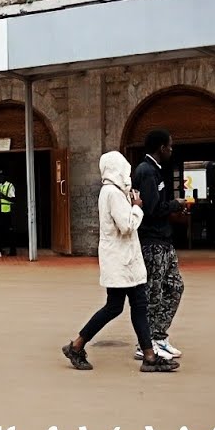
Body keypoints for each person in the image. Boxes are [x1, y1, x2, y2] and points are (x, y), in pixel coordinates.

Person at [62, 152, 179, 373]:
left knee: (138, 306)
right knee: (114, 307)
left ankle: (149, 356)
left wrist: (131, 201)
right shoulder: (112, 193)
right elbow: (126, 226)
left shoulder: (115, 192)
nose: (128, 173)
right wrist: (137, 206)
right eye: (125, 169)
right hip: (120, 260)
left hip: (125, 260)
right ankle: (77, 345)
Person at [132, 129, 187, 359]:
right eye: (170, 146)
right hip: (152, 243)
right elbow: (151, 210)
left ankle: (159, 336)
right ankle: (145, 344)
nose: (171, 150)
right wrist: (175, 204)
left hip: (164, 241)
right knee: (152, 293)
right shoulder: (145, 172)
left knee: (175, 286)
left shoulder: (156, 171)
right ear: (161, 147)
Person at [0, 171, 17, 257]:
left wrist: (3, 196)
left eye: (2, 176)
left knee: (9, 231)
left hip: (7, 211)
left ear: (5, 177)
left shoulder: (10, 186)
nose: (1, 178)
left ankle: (12, 251)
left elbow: (13, 199)